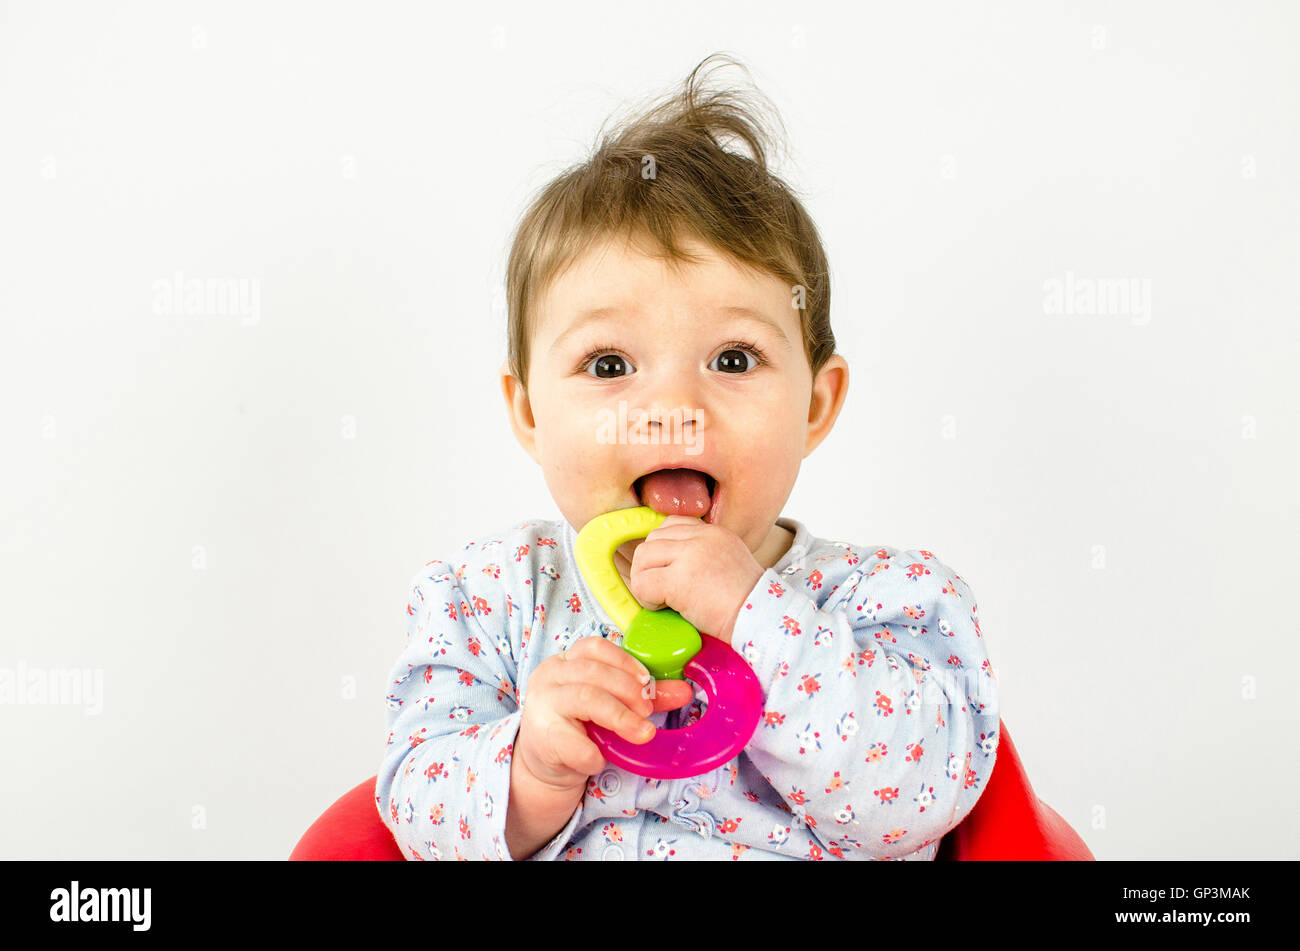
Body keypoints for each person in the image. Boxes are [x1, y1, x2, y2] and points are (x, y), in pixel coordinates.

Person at [376, 53, 998, 860]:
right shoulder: (486, 599)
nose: (673, 410)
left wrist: (759, 620)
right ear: (530, 412)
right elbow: (408, 805)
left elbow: (927, 798)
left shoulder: (892, 600)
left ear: (815, 403)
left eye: (733, 359)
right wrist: (529, 768)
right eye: (609, 365)